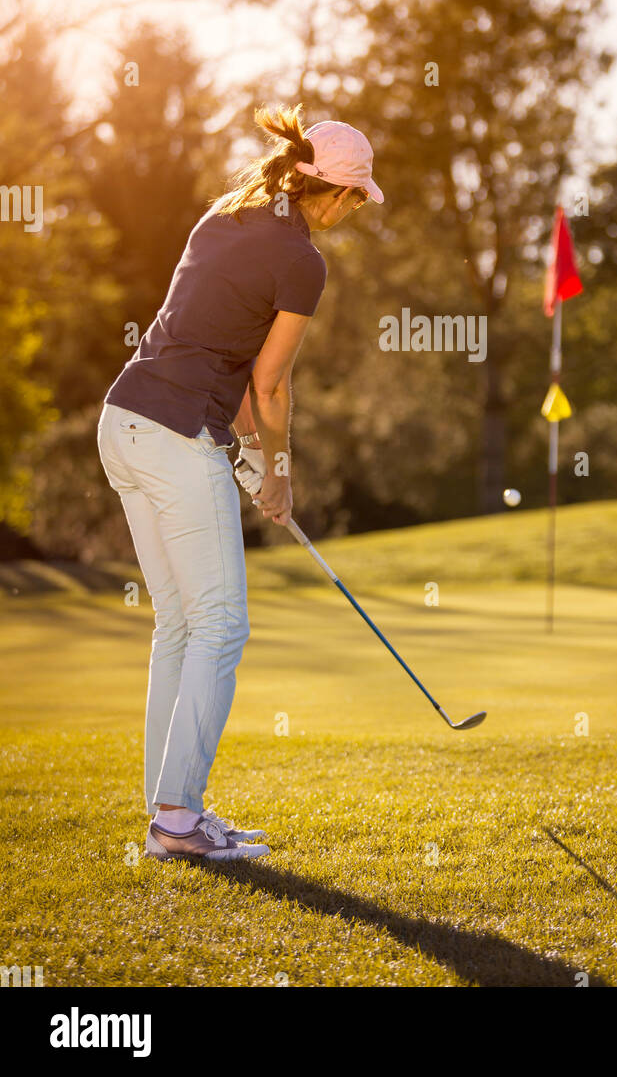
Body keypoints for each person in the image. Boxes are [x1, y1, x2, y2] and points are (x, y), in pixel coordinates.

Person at [97, 104, 383, 861]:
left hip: (123, 422)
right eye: (357, 199)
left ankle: (171, 814)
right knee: (221, 625)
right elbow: (270, 384)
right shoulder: (303, 260)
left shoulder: (221, 219)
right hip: (173, 435)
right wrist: (280, 476)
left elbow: (223, 366)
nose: (353, 214)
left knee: (181, 625)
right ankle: (178, 822)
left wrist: (252, 458)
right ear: (335, 193)